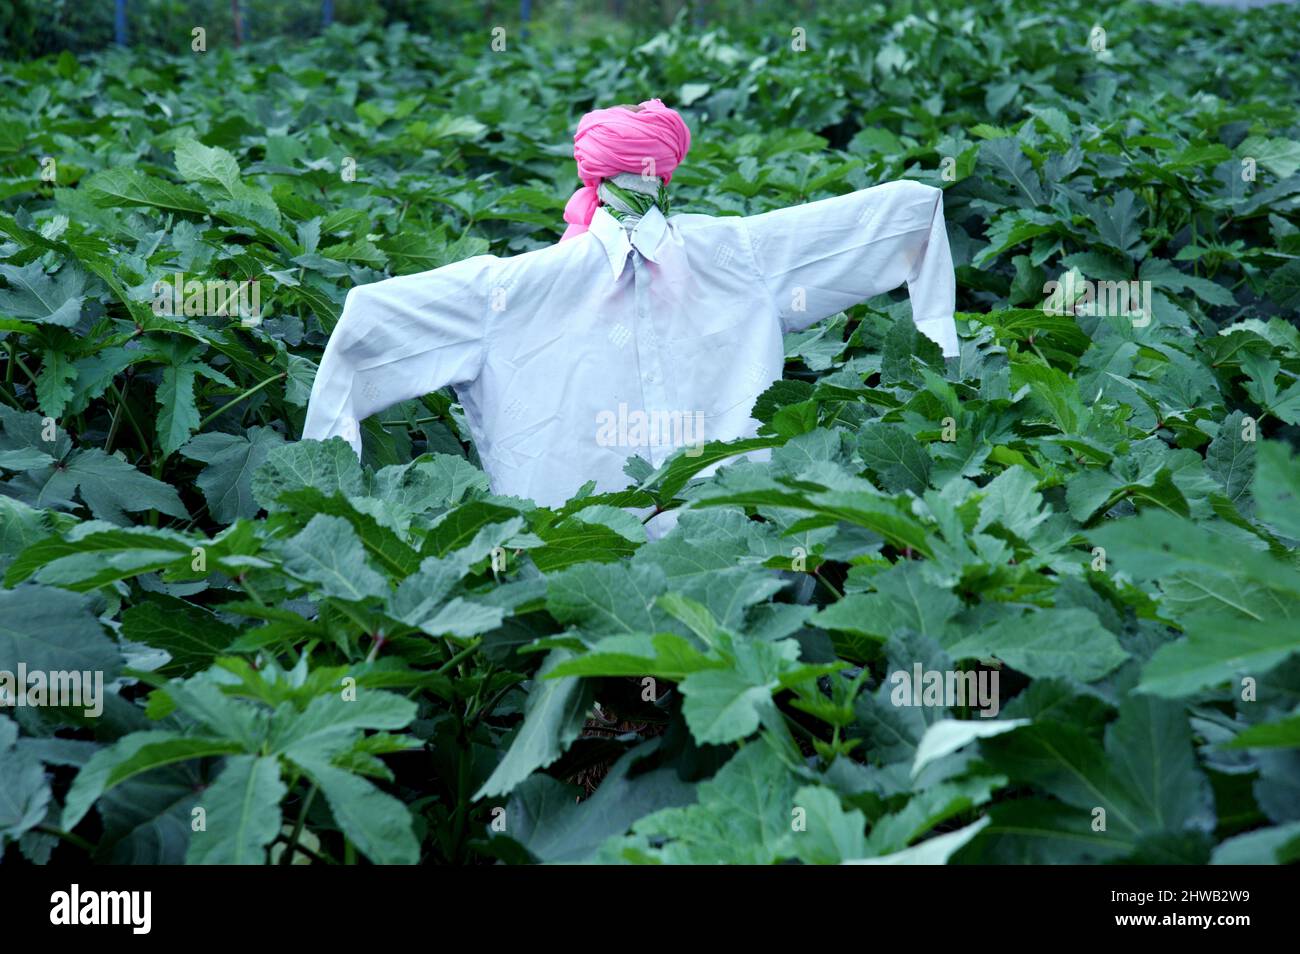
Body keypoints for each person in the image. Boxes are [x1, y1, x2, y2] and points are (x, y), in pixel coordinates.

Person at [302, 98, 959, 537]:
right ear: (661, 172)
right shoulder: (743, 255)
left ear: (593, 175)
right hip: (665, 557)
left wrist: (328, 523)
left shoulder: (505, 289)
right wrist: (941, 382)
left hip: (627, 559)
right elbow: (913, 214)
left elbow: (366, 325)